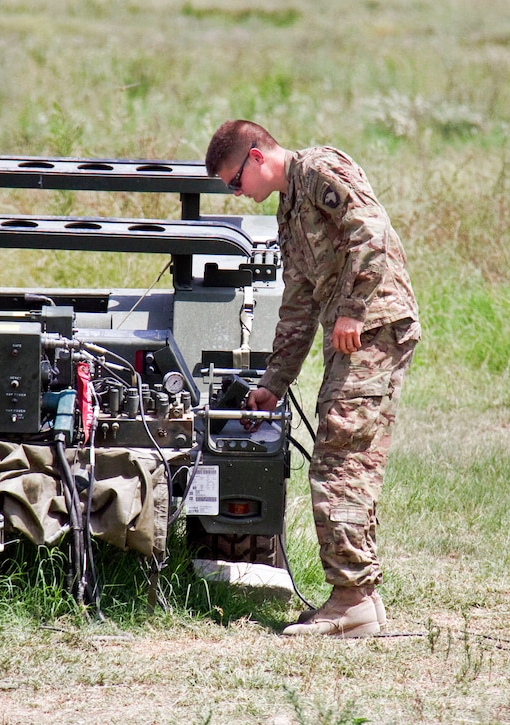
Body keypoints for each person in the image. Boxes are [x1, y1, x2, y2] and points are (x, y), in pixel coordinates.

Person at [204, 120, 421, 637]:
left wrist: (352, 309)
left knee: (341, 458)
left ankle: (352, 602)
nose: (238, 194)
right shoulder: (289, 208)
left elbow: (371, 230)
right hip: (355, 332)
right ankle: (355, 597)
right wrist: (273, 383)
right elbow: (298, 304)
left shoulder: (321, 169)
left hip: (373, 326)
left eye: (235, 181)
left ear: (257, 157)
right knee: (343, 455)